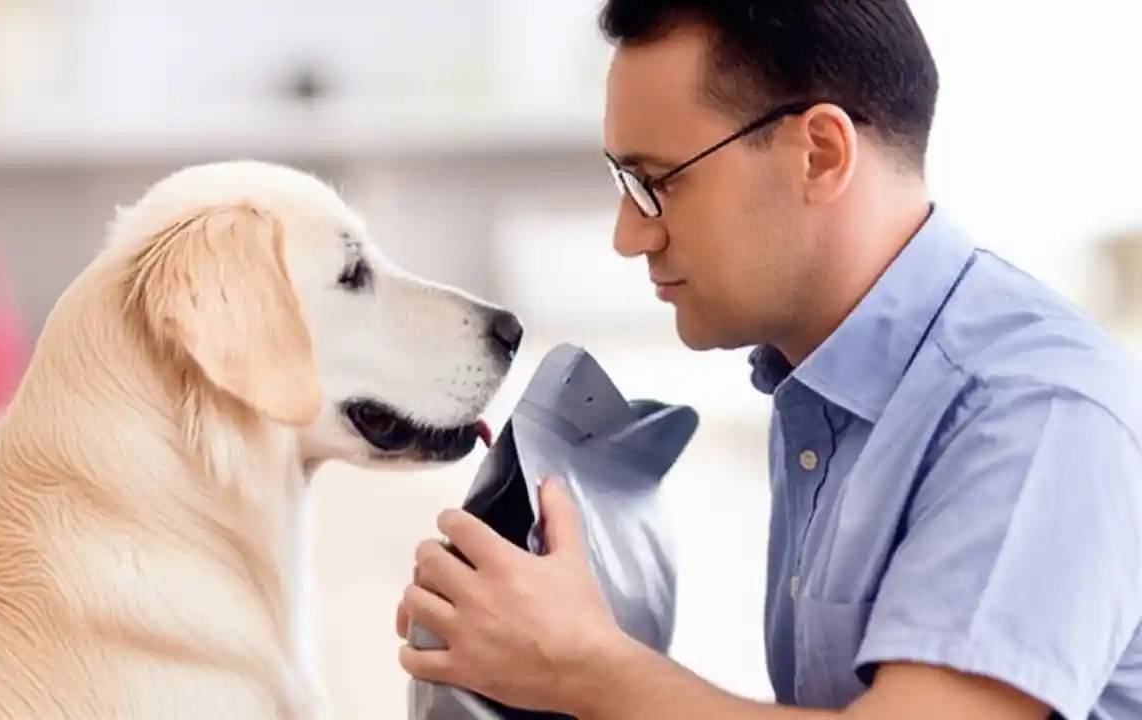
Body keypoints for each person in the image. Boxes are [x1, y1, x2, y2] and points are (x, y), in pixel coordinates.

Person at [395, 1, 1142, 718]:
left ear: (820, 153)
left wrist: (584, 667)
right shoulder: (823, 389)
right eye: (623, 184)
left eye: (657, 183)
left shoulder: (1034, 407)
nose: (629, 234)